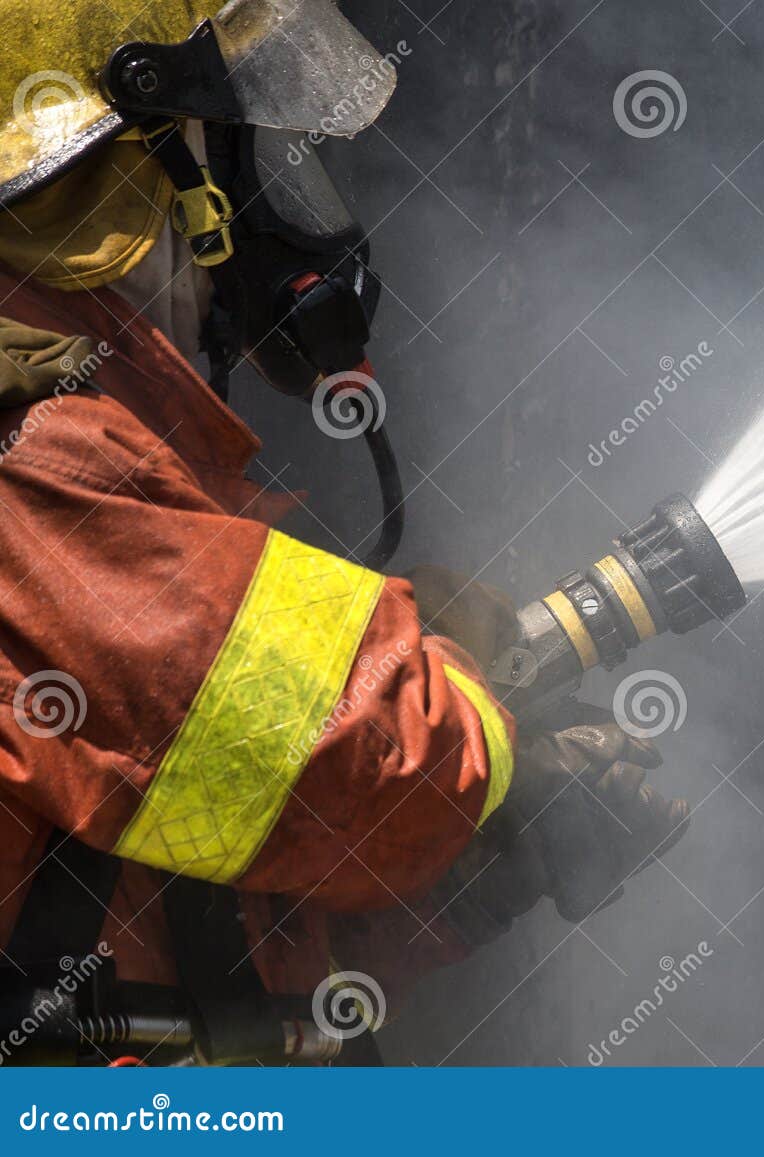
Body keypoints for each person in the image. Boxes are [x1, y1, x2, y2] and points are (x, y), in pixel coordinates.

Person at [0, 0, 687, 1064]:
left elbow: (220, 914)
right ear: (136, 186)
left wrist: (473, 884)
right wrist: (474, 721)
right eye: (259, 157)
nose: (293, 213)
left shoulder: (126, 455)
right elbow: (363, 766)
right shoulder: (40, 462)